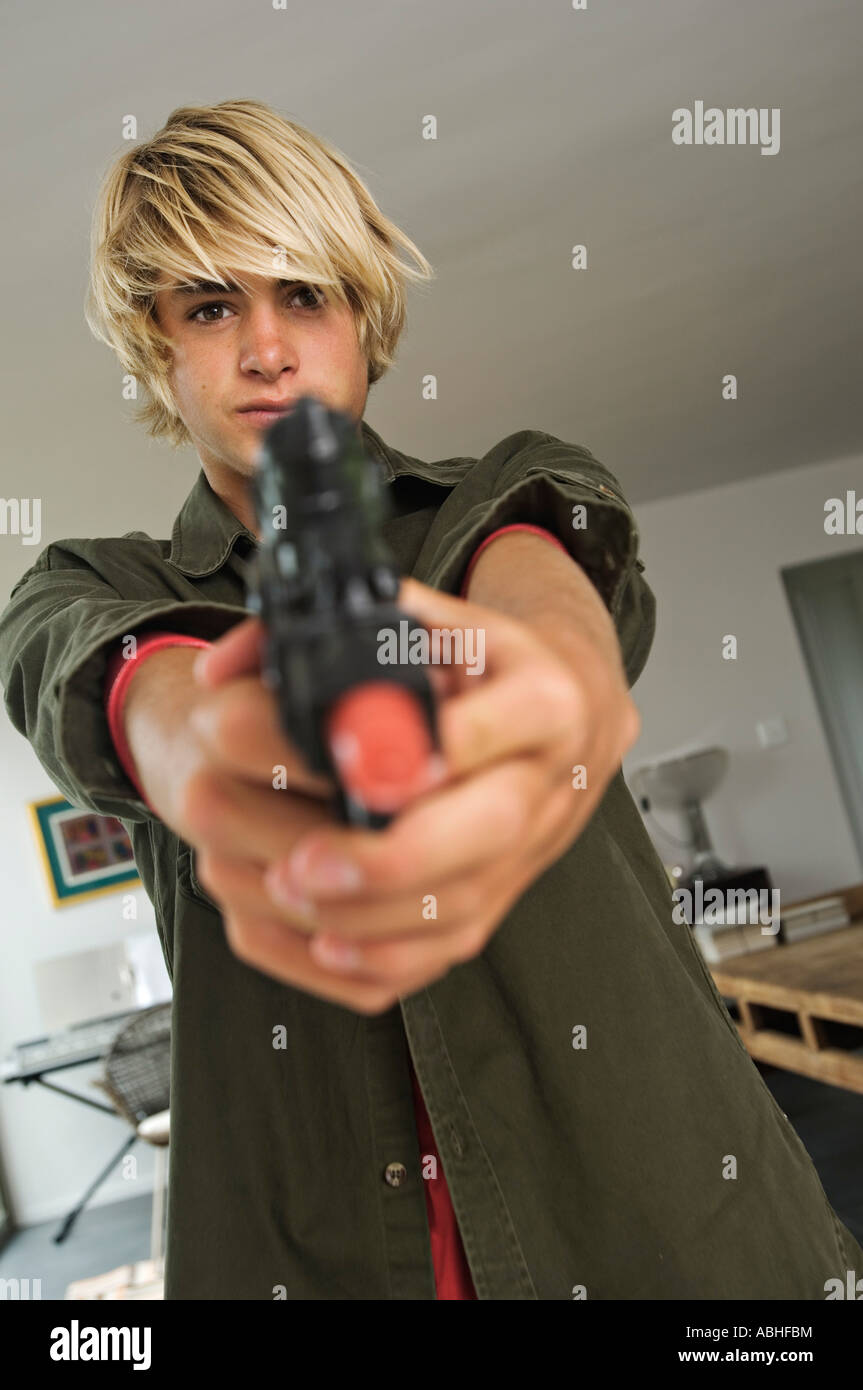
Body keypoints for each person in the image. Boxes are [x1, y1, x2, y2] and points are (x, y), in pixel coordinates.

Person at [1, 98, 860, 1301]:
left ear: (364, 316)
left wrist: (547, 675)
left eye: (304, 294)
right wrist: (211, 744)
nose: (265, 348)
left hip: (670, 1239)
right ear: (156, 345)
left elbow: (544, 580)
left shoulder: (504, 492)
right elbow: (114, 676)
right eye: (209, 306)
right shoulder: (89, 585)